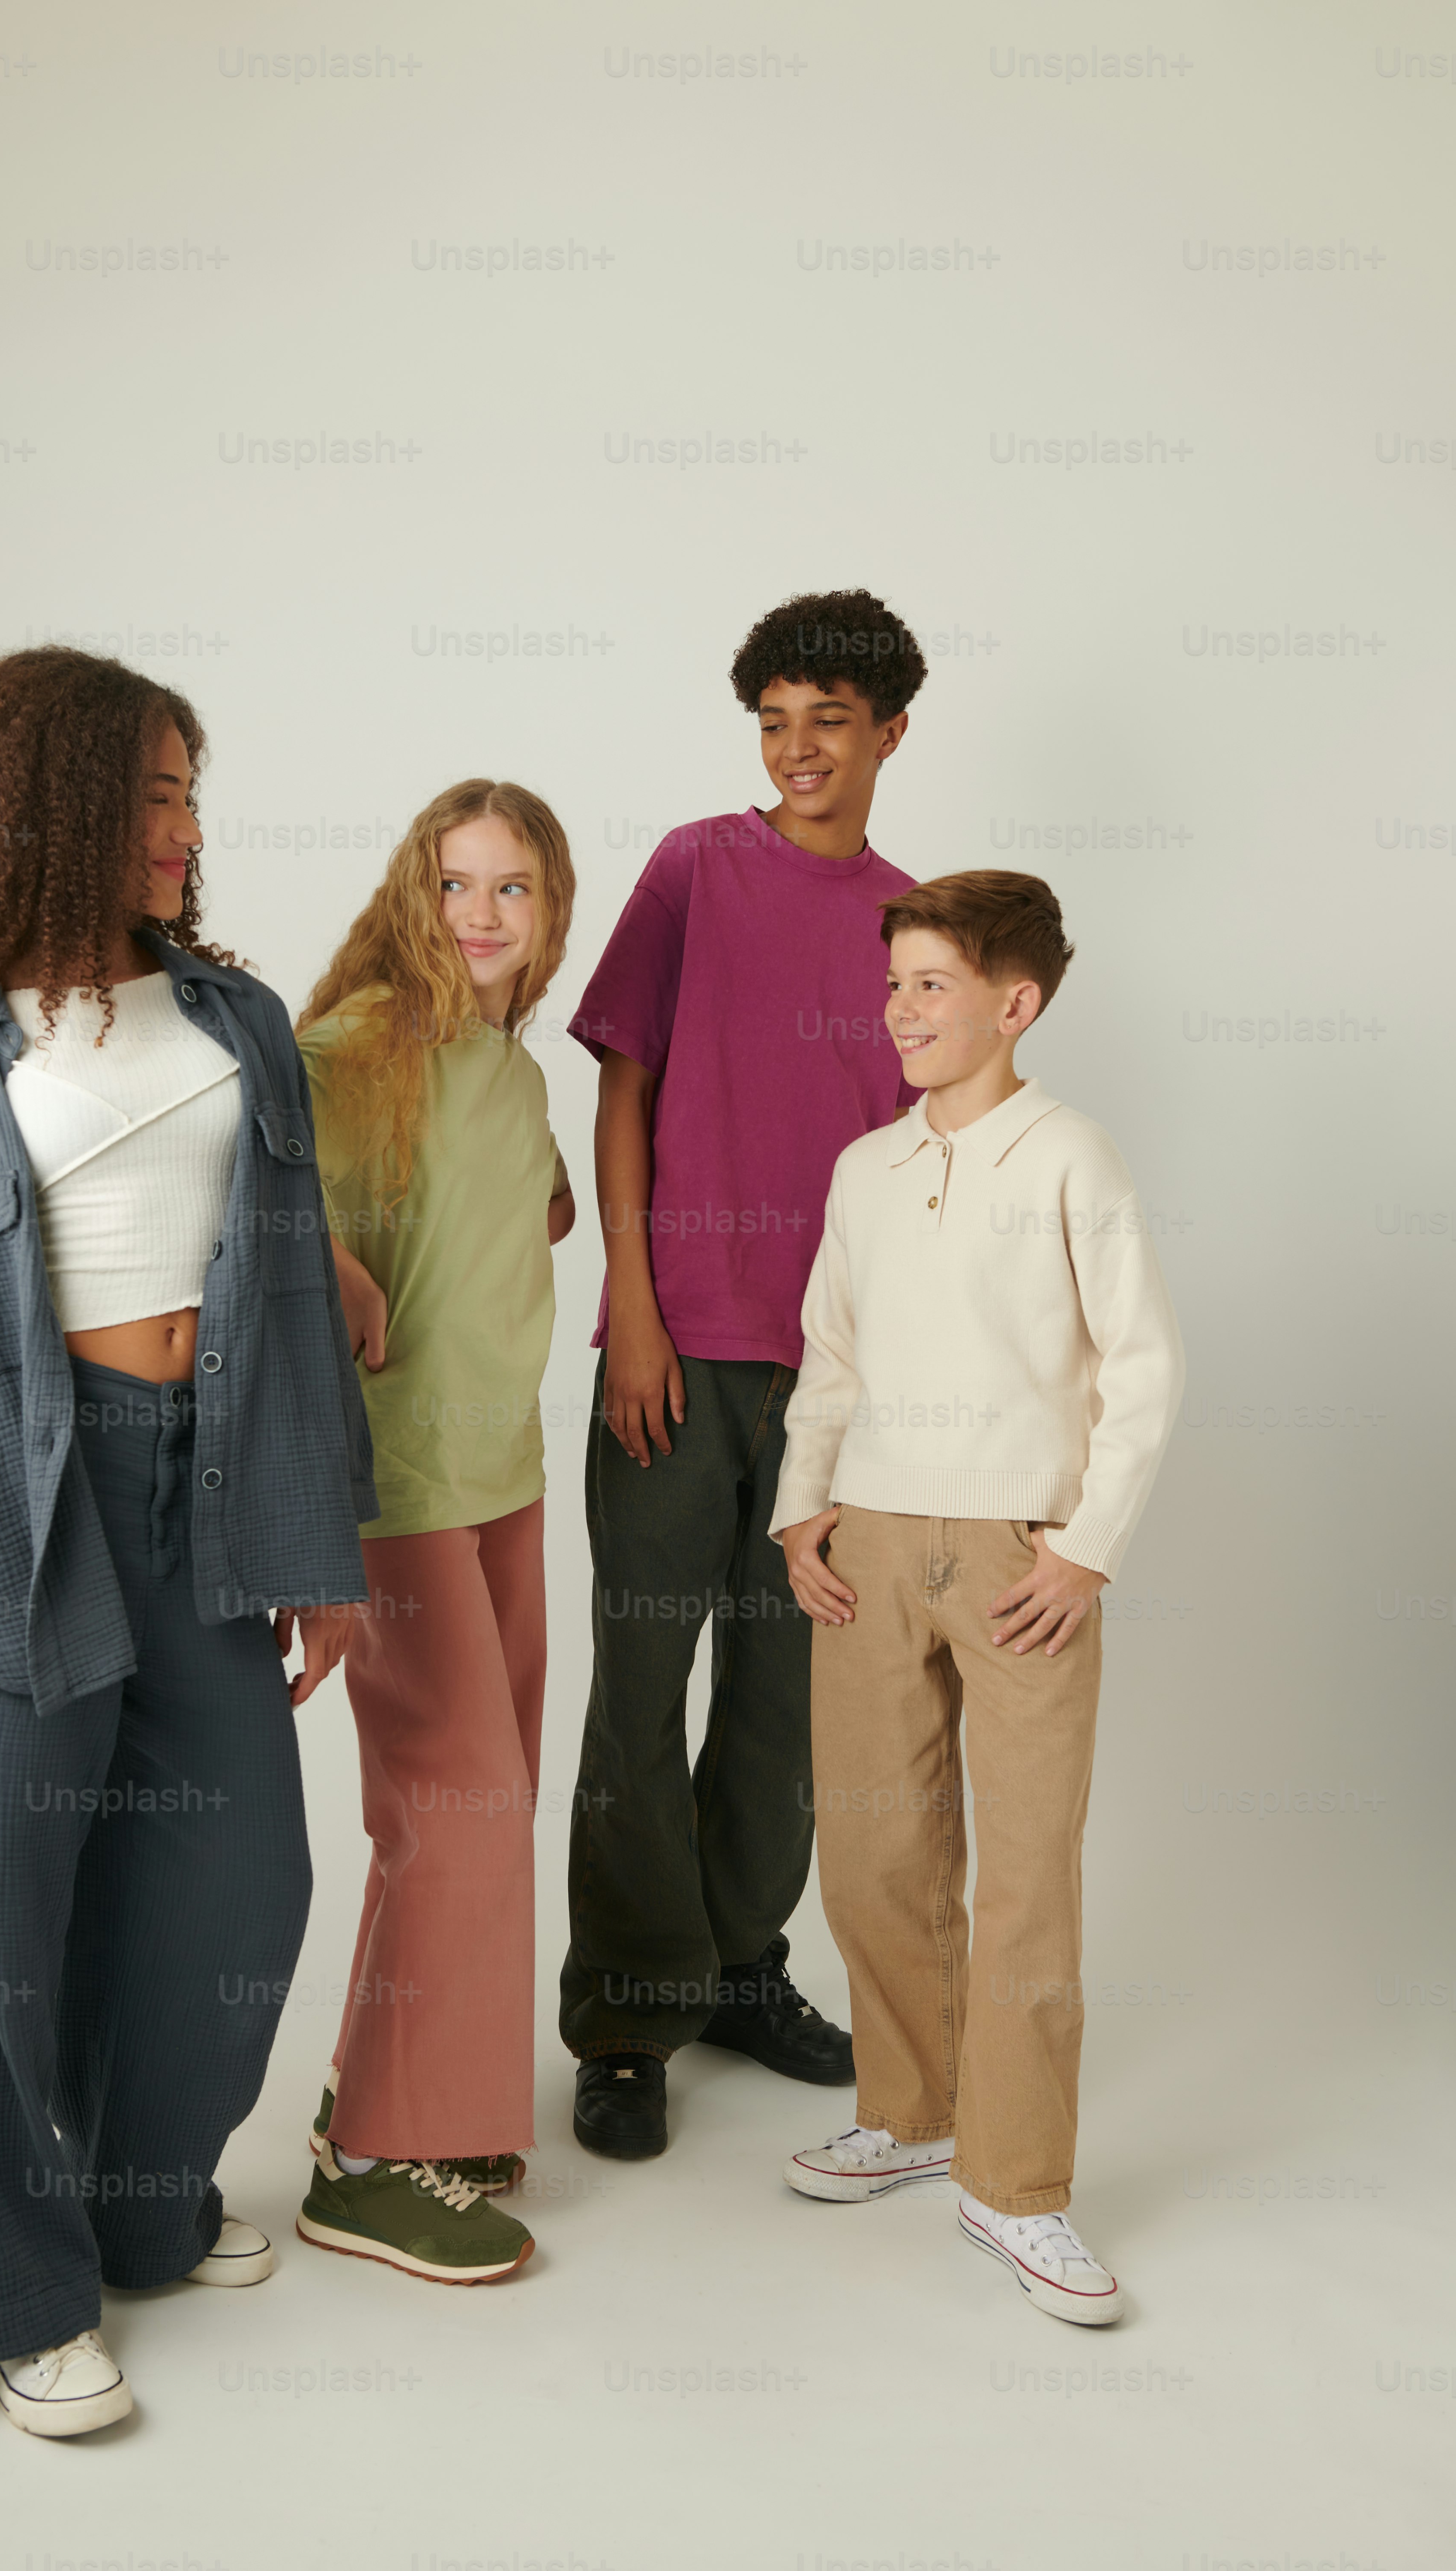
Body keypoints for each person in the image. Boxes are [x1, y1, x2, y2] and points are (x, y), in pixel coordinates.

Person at [0, 647, 375, 2435]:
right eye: (150, 797)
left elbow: (291, 1280)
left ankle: (141, 2206)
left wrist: (317, 1540)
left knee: (242, 1877)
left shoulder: (238, 1024)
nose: (184, 830)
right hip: (23, 1506)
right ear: (52, 813)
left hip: (214, 1492)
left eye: (192, 794)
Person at [774, 870, 1185, 2325]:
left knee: (1023, 1876)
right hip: (871, 1543)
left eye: (932, 985)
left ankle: (1018, 2188)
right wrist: (801, 1512)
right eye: (894, 985)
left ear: (1017, 1003)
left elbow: (1143, 1364)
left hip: (1025, 1556)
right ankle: (914, 2112)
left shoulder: (1072, 1156)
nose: (901, 1012)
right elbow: (831, 1354)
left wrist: (1087, 1548)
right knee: (871, 1851)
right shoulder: (865, 1171)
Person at [558, 590, 926, 2160]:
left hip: (837, 1380)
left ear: (891, 732)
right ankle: (629, 2015)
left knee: (788, 1702)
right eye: (773, 724)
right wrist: (635, 1309)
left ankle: (737, 1970)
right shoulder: (694, 868)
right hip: (681, 1348)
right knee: (642, 1690)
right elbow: (624, 1090)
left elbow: (919, 1163)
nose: (796, 751)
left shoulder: (916, 923)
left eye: (828, 722)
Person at [291, 779, 576, 2284]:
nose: (481, 914)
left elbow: (530, 1215)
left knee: (476, 1807)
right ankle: (378, 2163)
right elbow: (244, 1202)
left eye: (512, 888)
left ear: (551, 910)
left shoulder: (518, 1074)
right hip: (395, 1493)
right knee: (461, 1807)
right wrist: (321, 1248)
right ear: (415, 893)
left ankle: (396, 2088)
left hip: (504, 1483)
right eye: (456, 884)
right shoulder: (348, 1052)